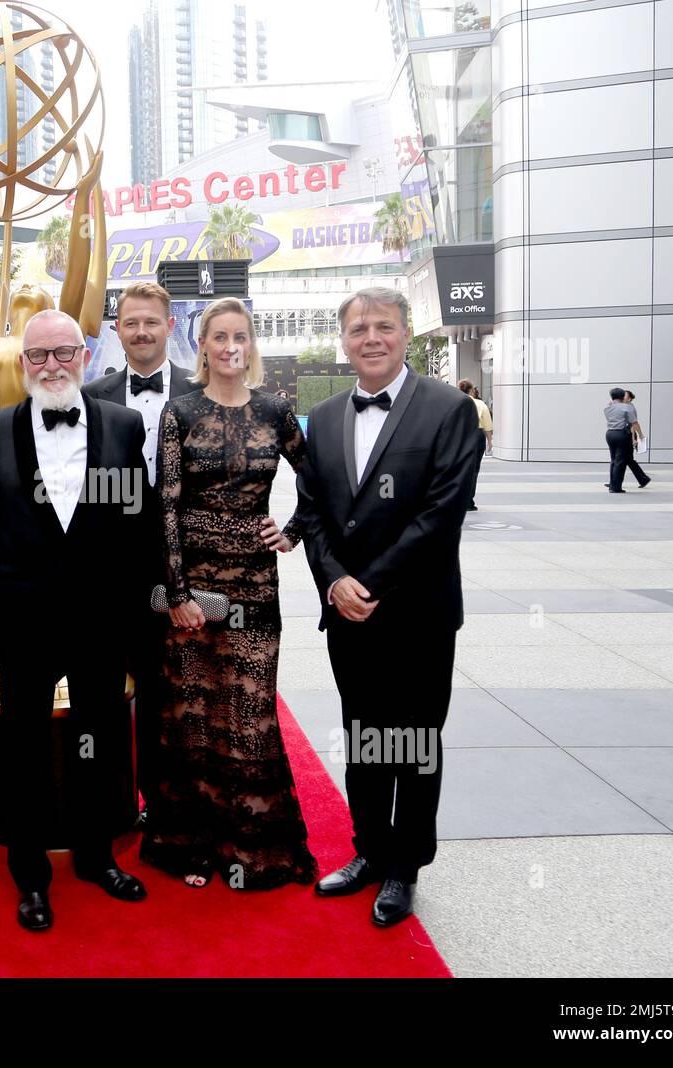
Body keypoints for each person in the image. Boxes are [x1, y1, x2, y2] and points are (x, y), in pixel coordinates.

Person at [294, 287, 478, 927]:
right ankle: (369, 852)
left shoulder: (450, 408)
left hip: (418, 612)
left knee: (416, 740)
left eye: (384, 327)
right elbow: (311, 510)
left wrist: (366, 582)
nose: (371, 338)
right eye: (359, 329)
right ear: (344, 340)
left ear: (406, 335)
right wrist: (334, 579)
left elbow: (440, 515)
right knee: (365, 736)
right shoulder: (324, 416)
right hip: (347, 613)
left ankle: (406, 867)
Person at [0, 309, 150, 932]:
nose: (51, 366)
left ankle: (97, 857)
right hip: (27, 614)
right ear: (23, 364)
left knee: (97, 737)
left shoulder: (123, 426)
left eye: (63, 353)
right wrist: (21, 564)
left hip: (101, 617)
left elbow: (136, 516)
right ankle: (31, 877)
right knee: (25, 747)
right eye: (38, 355)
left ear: (83, 355)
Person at [139, 296, 318, 891]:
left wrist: (290, 530)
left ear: (251, 344)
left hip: (255, 586)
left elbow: (319, 479)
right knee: (190, 715)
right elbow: (165, 505)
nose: (230, 346)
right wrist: (177, 591)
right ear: (204, 345)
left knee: (248, 713)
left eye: (239, 335)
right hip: (193, 587)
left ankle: (248, 845)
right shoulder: (180, 412)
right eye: (218, 336)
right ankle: (192, 844)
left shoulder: (276, 410)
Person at [83, 282, 200, 825]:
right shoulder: (94, 396)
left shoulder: (202, 390)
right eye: (131, 323)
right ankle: (115, 799)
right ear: (117, 330)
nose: (142, 332)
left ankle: (176, 800)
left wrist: (283, 527)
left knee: (186, 688)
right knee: (116, 686)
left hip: (195, 569)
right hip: (115, 573)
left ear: (170, 325)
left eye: (152, 322)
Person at [604, 387, 649, 492]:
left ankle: (613, 484)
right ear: (622, 396)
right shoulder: (627, 408)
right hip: (622, 434)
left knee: (614, 460)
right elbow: (634, 423)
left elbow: (611, 403)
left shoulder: (607, 408)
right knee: (621, 462)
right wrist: (641, 435)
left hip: (610, 434)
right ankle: (615, 488)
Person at [457, 378, 492, 510]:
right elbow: (487, 425)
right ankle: (468, 502)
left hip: (459, 436)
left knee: (459, 468)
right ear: (471, 390)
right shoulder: (480, 404)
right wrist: (489, 441)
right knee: (474, 470)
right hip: (476, 435)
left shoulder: (455, 402)